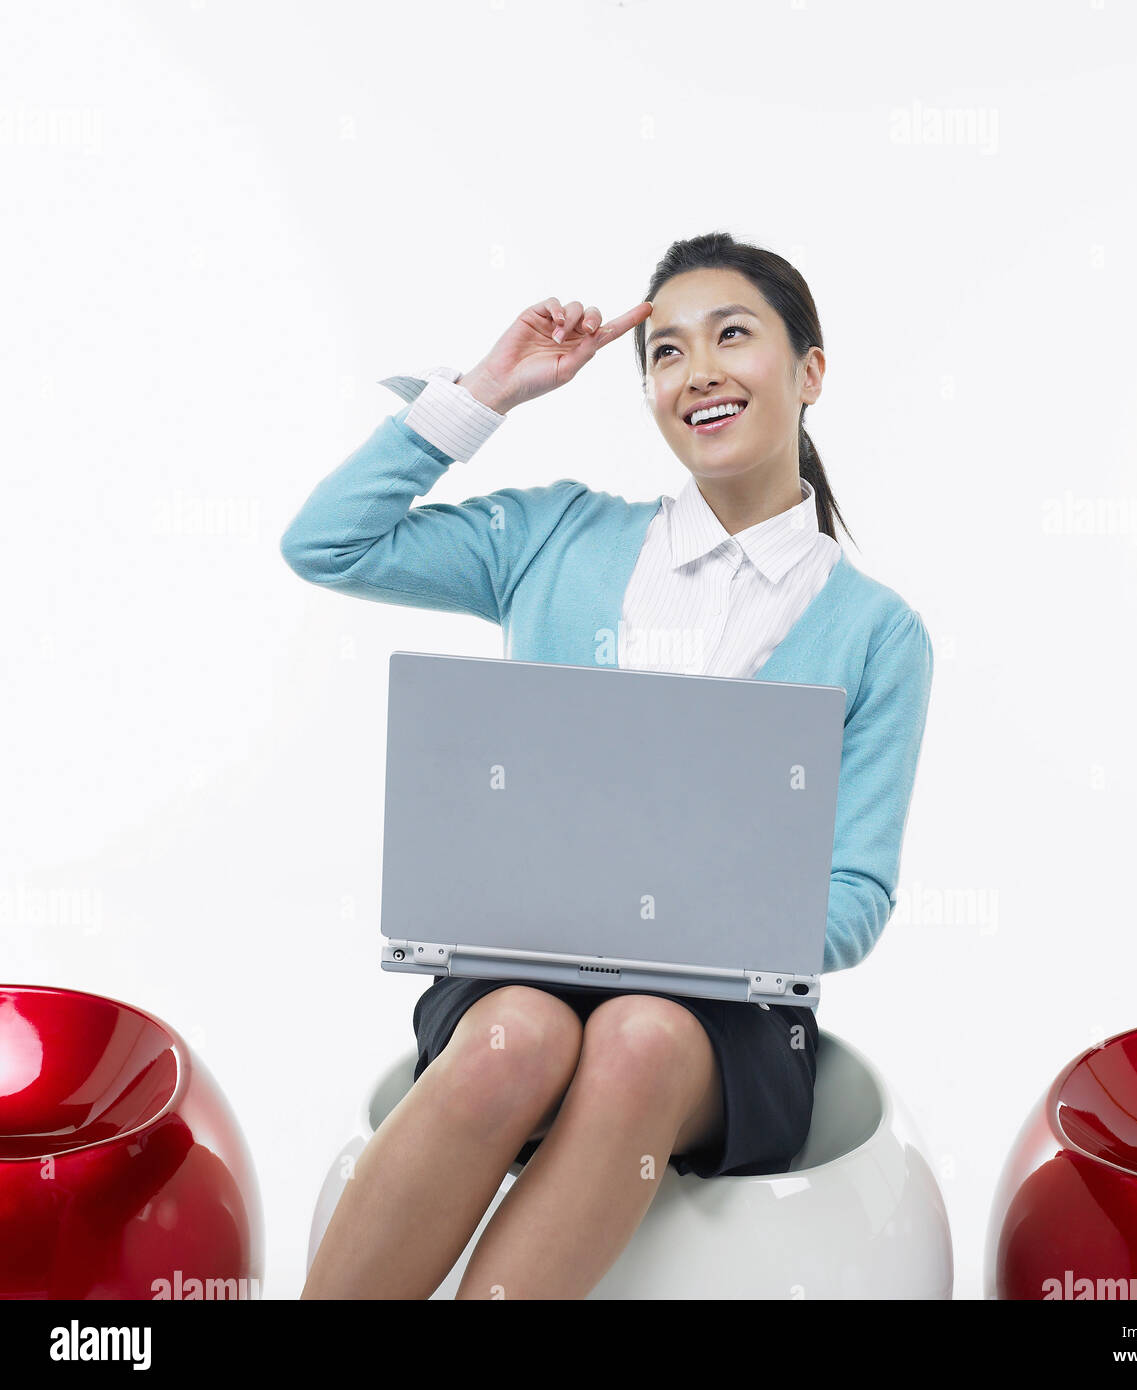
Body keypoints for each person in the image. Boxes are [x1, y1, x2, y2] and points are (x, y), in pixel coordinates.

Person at [281, 231, 934, 1299]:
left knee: (636, 1035)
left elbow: (853, 899)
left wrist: (680, 925)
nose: (698, 370)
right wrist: (488, 391)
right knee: (511, 1039)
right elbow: (328, 543)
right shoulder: (556, 538)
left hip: (727, 1026)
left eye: (733, 335)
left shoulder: (876, 634)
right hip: (521, 973)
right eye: (665, 352)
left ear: (809, 371)